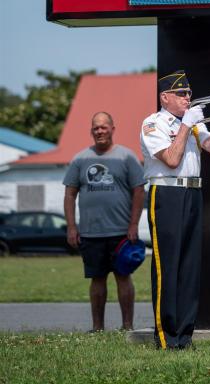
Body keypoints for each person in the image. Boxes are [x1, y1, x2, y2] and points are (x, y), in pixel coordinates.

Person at [140, 70, 210, 350]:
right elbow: (170, 159)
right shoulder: (153, 123)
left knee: (189, 266)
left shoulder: (191, 122)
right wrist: (185, 126)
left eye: (189, 93)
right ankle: (166, 336)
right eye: (181, 94)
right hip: (166, 192)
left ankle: (185, 335)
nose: (188, 98)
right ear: (165, 97)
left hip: (192, 191)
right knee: (167, 265)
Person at [63, 111, 145, 332]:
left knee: (123, 277)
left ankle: (127, 326)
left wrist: (133, 224)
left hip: (121, 232)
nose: (99, 131)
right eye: (95, 127)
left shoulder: (126, 157)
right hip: (91, 232)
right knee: (97, 279)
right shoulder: (80, 159)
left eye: (103, 127)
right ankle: (97, 328)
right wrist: (72, 227)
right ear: (91, 131)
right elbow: (70, 194)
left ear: (112, 129)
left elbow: (139, 191)